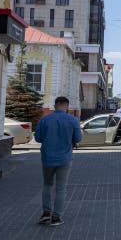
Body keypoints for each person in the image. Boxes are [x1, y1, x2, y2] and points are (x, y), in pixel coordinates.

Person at [34, 96, 81, 226]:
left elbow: (38, 138)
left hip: (47, 158)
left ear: (55, 106)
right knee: (61, 188)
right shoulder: (73, 120)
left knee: (47, 185)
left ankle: (45, 213)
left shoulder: (45, 119)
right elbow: (78, 138)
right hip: (65, 158)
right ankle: (56, 217)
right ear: (67, 106)